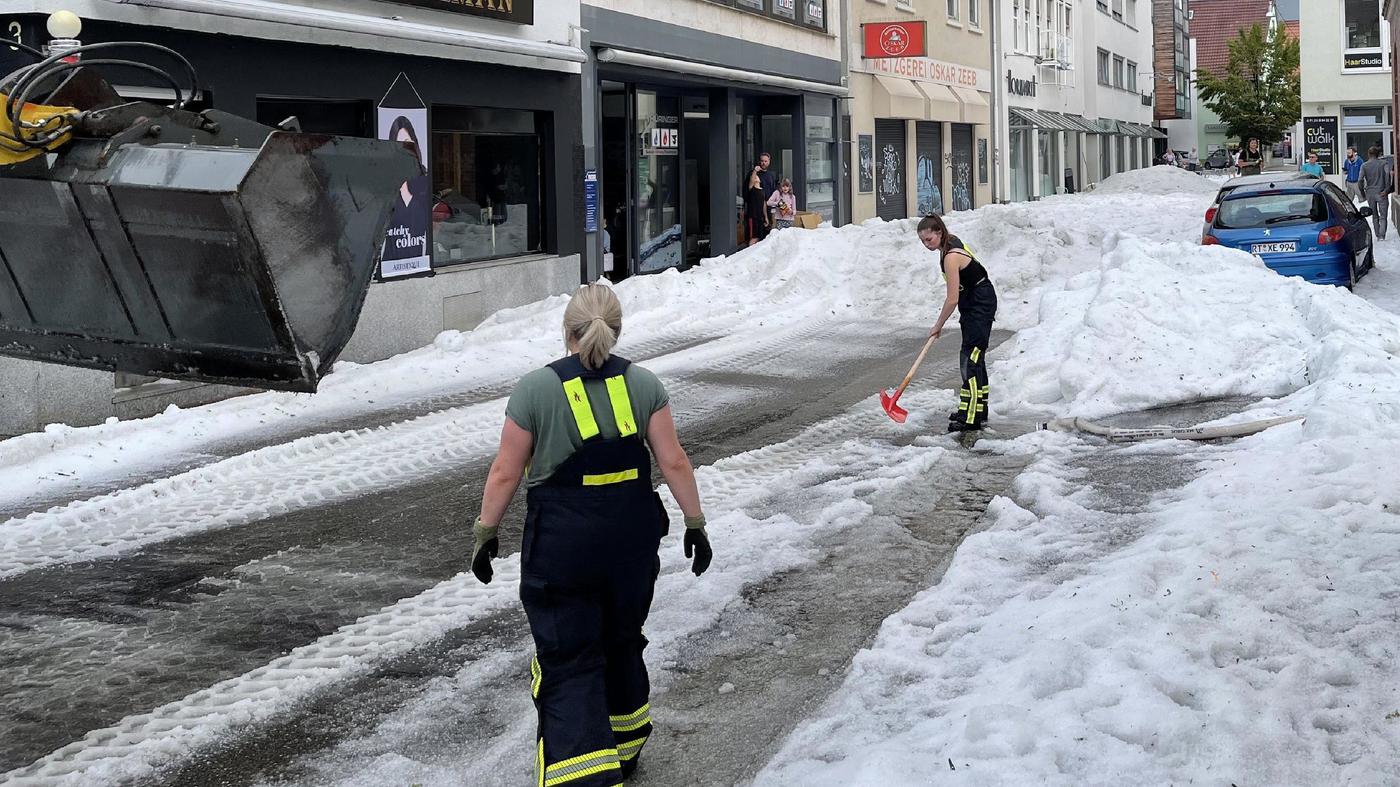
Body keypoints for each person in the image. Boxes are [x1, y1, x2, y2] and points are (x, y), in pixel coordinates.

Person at [470, 283, 712, 786]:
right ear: (616, 330)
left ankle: (583, 776)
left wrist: (486, 532)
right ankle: (625, 747)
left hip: (563, 546)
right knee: (622, 640)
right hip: (631, 543)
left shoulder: (535, 390)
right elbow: (673, 461)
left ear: (568, 331)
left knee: (569, 655)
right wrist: (694, 523)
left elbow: (504, 472)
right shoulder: (645, 385)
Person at [918, 214, 998, 432]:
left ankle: (971, 418)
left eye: (929, 240)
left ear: (940, 233)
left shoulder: (951, 256)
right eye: (923, 241)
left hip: (979, 304)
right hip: (976, 301)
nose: (927, 245)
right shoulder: (950, 242)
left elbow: (952, 298)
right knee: (974, 357)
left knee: (970, 360)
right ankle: (976, 410)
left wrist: (938, 325)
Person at [1360, 144, 1393, 240]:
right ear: (1378, 154)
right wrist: (1387, 189)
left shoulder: (1364, 165)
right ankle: (1382, 235)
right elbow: (1388, 175)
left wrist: (1362, 193)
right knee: (1383, 216)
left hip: (1370, 192)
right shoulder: (1384, 163)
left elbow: (1360, 180)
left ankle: (1378, 234)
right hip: (1381, 191)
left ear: (1369, 154)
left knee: (1374, 215)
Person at [743, 170, 770, 246]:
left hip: (760, 217)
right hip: (753, 217)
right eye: (754, 177)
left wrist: (766, 217)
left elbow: (764, 204)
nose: (756, 177)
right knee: (753, 237)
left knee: (759, 237)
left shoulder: (763, 191)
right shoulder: (752, 189)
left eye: (756, 176)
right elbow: (751, 182)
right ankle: (748, 254)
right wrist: (755, 170)